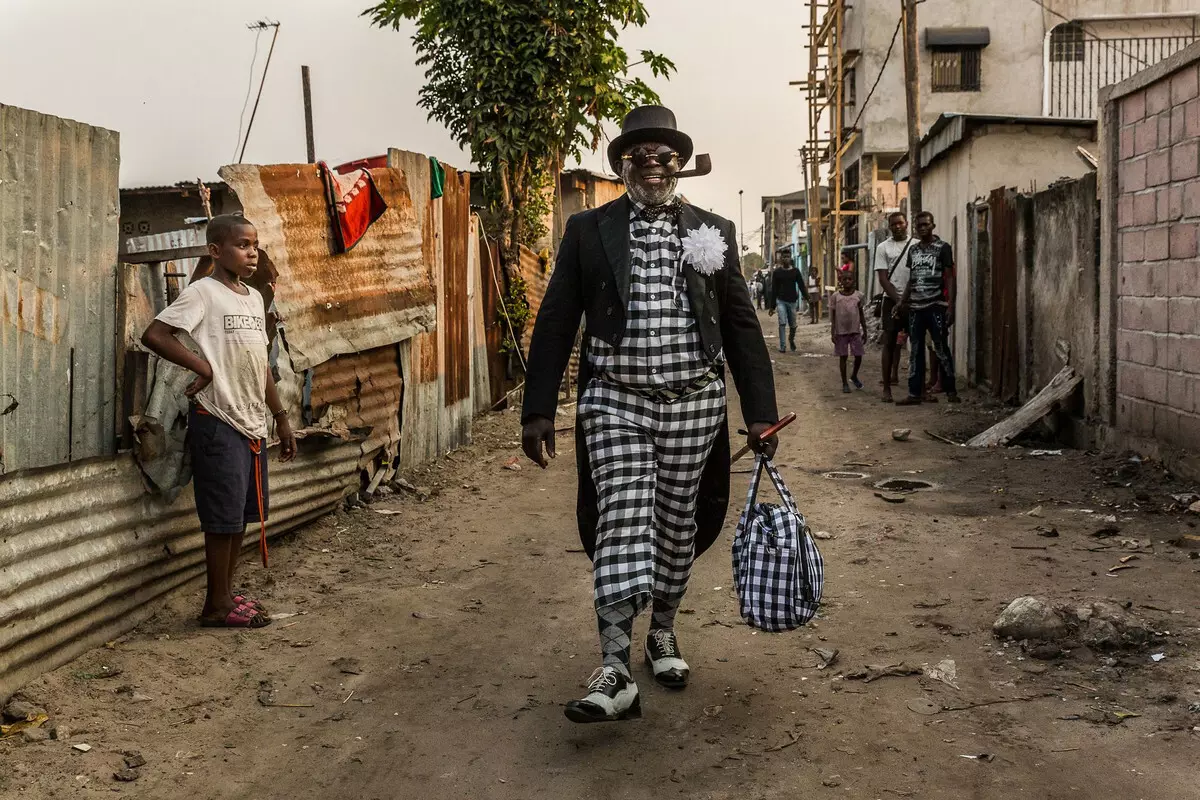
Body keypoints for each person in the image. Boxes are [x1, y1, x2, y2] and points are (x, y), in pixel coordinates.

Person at [520, 105, 779, 724]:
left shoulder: (710, 230)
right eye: (640, 155)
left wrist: (760, 414)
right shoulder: (588, 230)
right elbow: (557, 320)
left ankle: (662, 631)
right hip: (615, 400)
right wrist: (536, 411)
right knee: (622, 517)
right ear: (622, 165)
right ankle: (614, 666)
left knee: (675, 525)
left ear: (681, 165)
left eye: (666, 156)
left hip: (694, 404)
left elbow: (741, 326)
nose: (654, 166)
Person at [141, 214, 297, 628]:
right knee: (221, 519)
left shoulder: (251, 298)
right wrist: (203, 368)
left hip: (252, 423)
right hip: (217, 418)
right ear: (215, 251)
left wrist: (279, 417)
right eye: (243, 245)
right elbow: (155, 334)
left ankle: (226, 594)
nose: (252, 252)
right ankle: (215, 604)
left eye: (255, 245)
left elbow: (260, 362)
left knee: (241, 515)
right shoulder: (202, 293)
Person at [896, 212, 960, 405]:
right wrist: (902, 301)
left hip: (936, 306)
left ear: (933, 226)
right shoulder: (913, 250)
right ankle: (915, 393)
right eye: (919, 225)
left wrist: (951, 306)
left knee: (941, 348)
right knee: (915, 351)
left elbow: (950, 277)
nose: (922, 228)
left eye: (926, 224)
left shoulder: (943, 248)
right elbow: (912, 279)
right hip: (915, 307)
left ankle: (951, 391)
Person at [873, 212, 916, 402]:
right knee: (889, 343)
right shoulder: (883, 247)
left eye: (900, 223)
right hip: (891, 301)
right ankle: (887, 388)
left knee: (917, 343)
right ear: (889, 227)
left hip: (914, 300)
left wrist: (905, 300)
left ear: (906, 223)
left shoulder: (916, 246)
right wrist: (898, 300)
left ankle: (918, 388)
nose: (897, 226)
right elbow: (883, 278)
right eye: (893, 224)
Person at [830, 270, 867, 393]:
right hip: (841, 332)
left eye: (849, 279)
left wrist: (865, 330)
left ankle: (854, 375)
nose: (847, 281)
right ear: (840, 281)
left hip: (855, 331)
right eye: (844, 279)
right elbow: (833, 316)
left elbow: (861, 314)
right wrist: (833, 332)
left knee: (858, 355)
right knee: (843, 357)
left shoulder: (858, 296)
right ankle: (845, 382)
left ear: (854, 281)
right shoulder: (836, 297)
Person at [767, 251, 801, 352]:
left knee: (793, 325)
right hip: (780, 301)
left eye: (788, 257)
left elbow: (801, 285)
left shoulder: (795, 271)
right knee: (782, 323)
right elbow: (774, 290)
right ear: (781, 259)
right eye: (784, 257)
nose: (786, 259)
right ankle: (783, 346)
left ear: (790, 258)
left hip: (792, 301)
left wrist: (807, 297)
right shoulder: (777, 272)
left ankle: (791, 339)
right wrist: (772, 307)